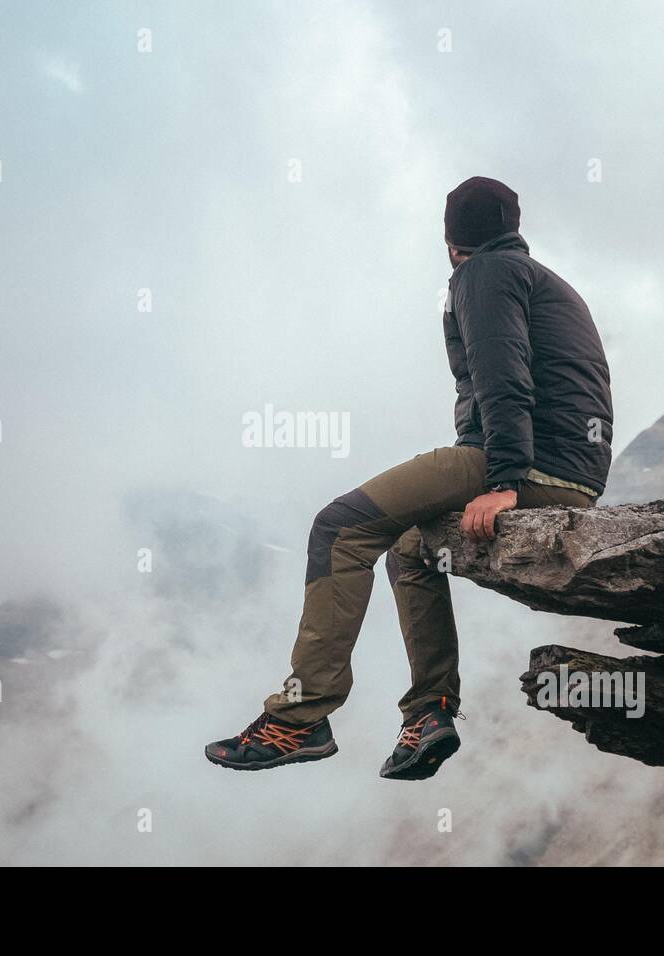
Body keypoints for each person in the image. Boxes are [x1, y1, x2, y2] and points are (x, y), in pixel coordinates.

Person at [205, 176, 613, 780]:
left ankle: (300, 718)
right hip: (572, 472)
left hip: (527, 460)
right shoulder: (540, 278)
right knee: (410, 548)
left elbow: (505, 379)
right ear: (513, 228)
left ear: (451, 243)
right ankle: (430, 712)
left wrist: (503, 481)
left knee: (339, 528)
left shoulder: (485, 275)